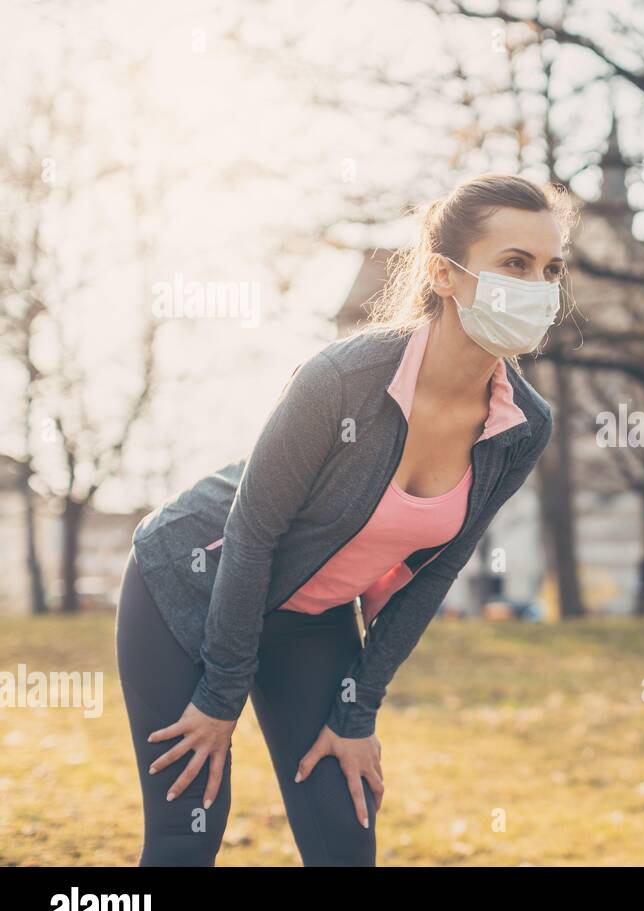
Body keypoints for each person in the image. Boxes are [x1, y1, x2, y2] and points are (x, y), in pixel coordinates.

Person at [115, 173, 575, 865]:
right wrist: (219, 698)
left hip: (309, 619)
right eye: (515, 263)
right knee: (189, 829)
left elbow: (435, 572)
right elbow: (250, 534)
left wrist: (355, 713)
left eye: (550, 269)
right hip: (189, 585)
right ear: (442, 275)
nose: (537, 286)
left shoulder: (522, 427)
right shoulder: (342, 379)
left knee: (343, 835)